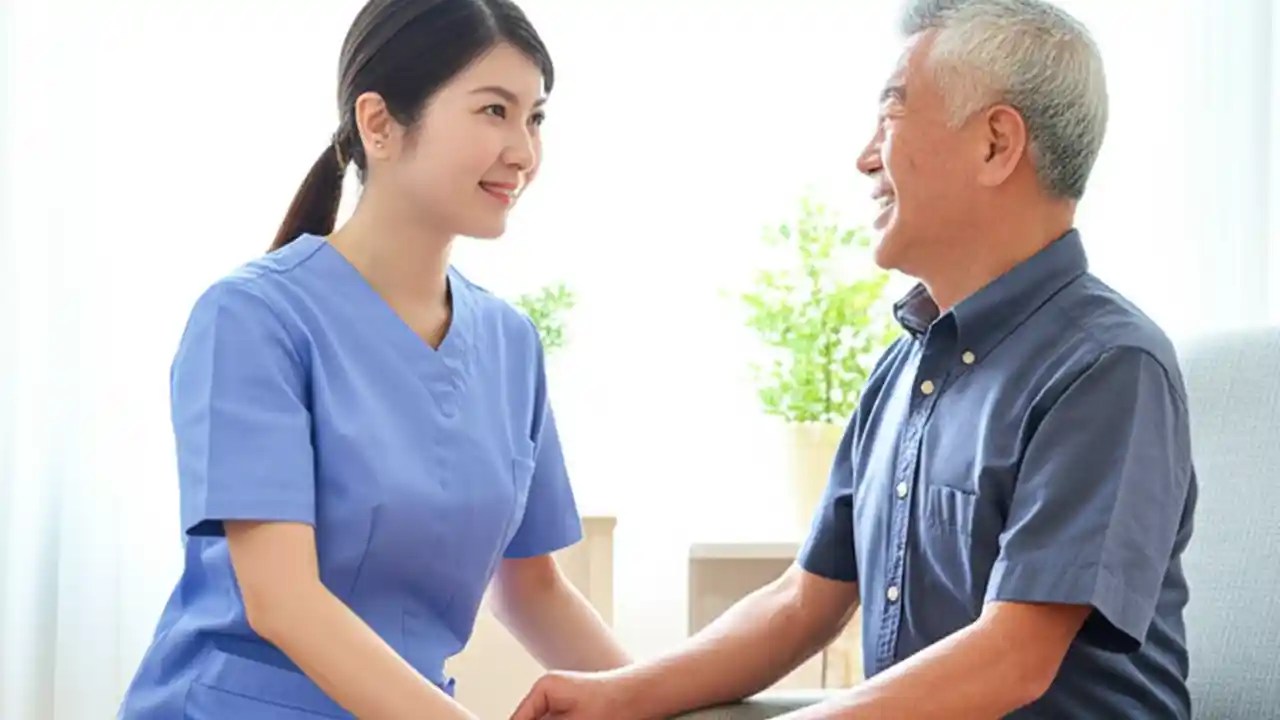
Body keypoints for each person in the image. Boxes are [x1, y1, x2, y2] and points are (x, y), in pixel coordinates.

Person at [511, 0, 1198, 718]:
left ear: (996, 144)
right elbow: (802, 602)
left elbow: (1014, 656)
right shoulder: (902, 373)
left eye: (892, 117)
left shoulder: (1110, 367)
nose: (865, 156)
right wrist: (619, 696)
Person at [116, 1, 630, 718]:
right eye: (493, 111)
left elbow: (531, 588)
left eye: (535, 118)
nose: (523, 150)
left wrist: (670, 700)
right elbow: (283, 603)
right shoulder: (252, 319)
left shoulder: (509, 342)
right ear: (379, 123)